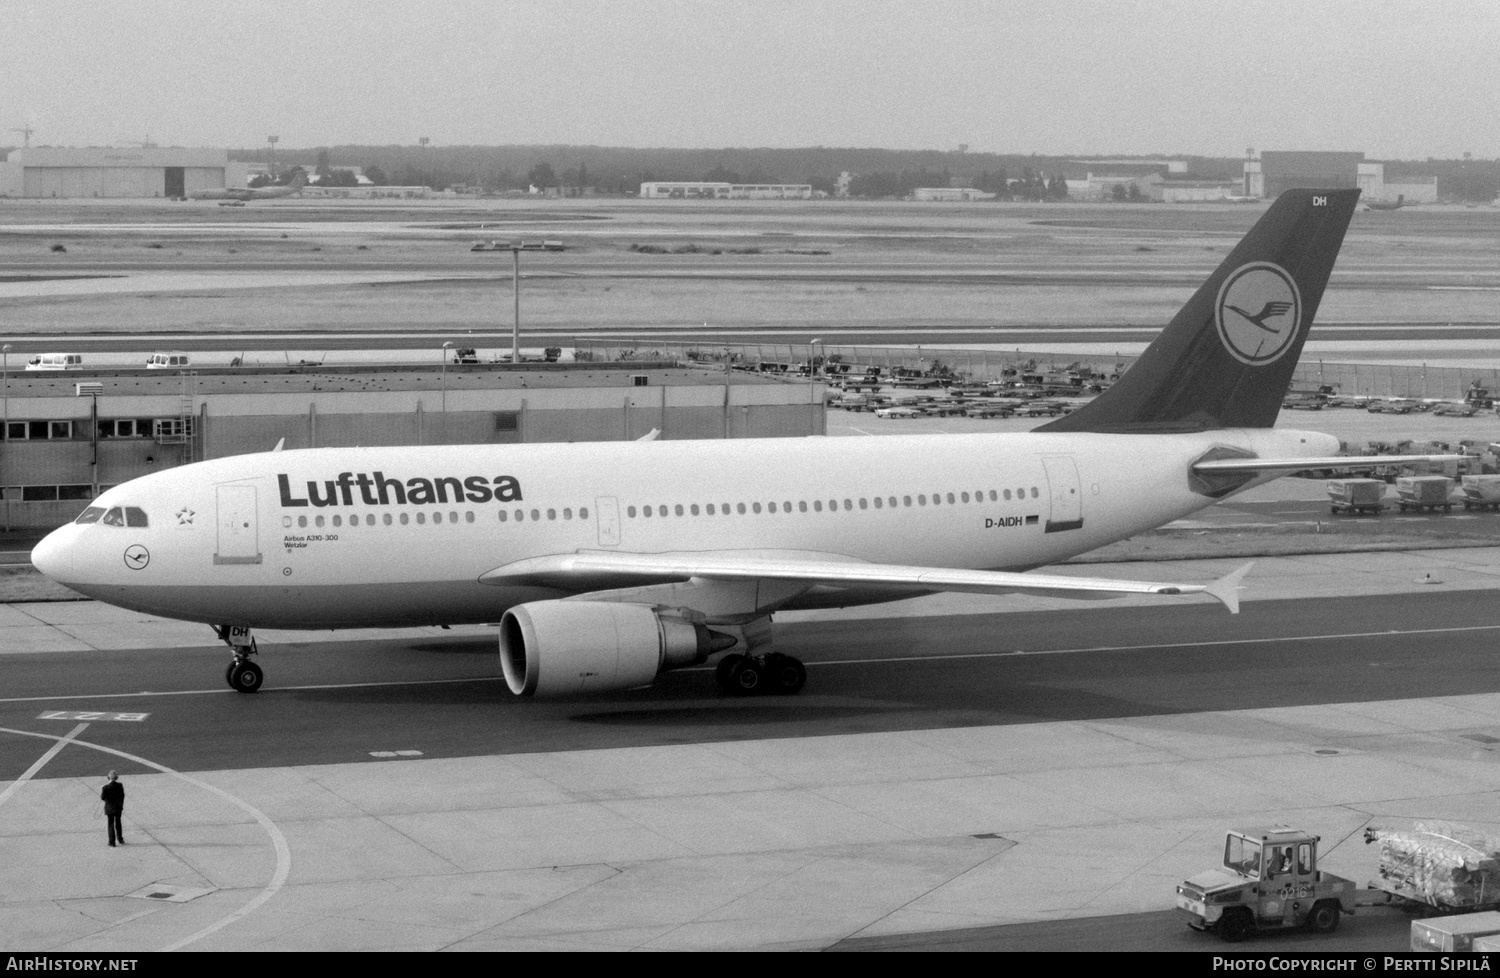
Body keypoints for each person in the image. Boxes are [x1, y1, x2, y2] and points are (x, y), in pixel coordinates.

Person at [101, 771, 124, 847]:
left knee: (110, 825)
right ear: (116, 777)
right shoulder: (120, 785)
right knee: (118, 823)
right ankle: (120, 839)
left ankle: (112, 842)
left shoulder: (105, 787)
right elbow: (122, 796)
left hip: (110, 808)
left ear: (108, 777)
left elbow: (102, 797)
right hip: (118, 807)